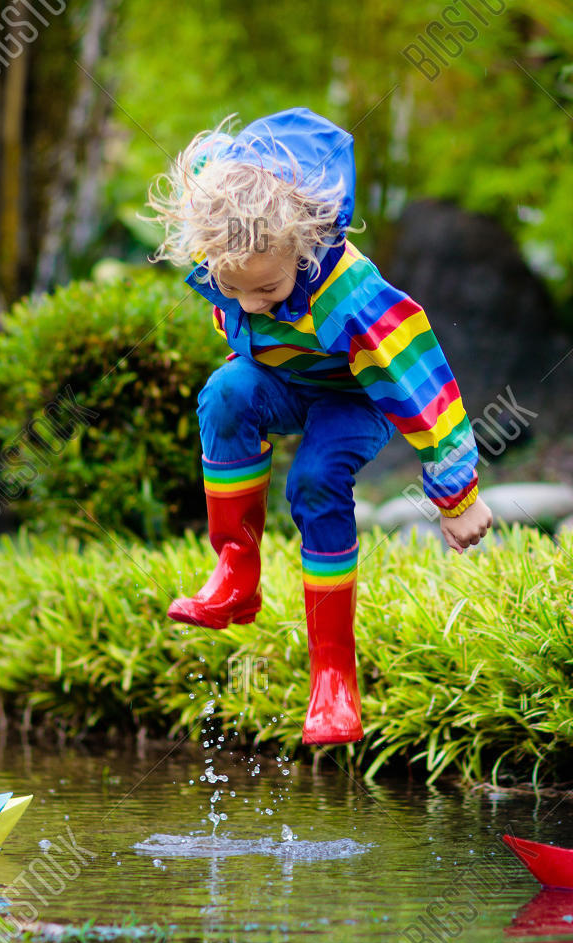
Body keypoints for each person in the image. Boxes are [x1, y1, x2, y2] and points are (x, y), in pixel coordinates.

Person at [147, 106, 493, 745]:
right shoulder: (225, 235)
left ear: (304, 246)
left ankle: (334, 680)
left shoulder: (352, 297)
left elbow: (424, 386)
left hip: (352, 399)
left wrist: (458, 496)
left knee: (313, 480)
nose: (251, 303)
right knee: (224, 393)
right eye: (234, 290)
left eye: (268, 291)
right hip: (281, 381)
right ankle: (235, 574)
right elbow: (212, 167)